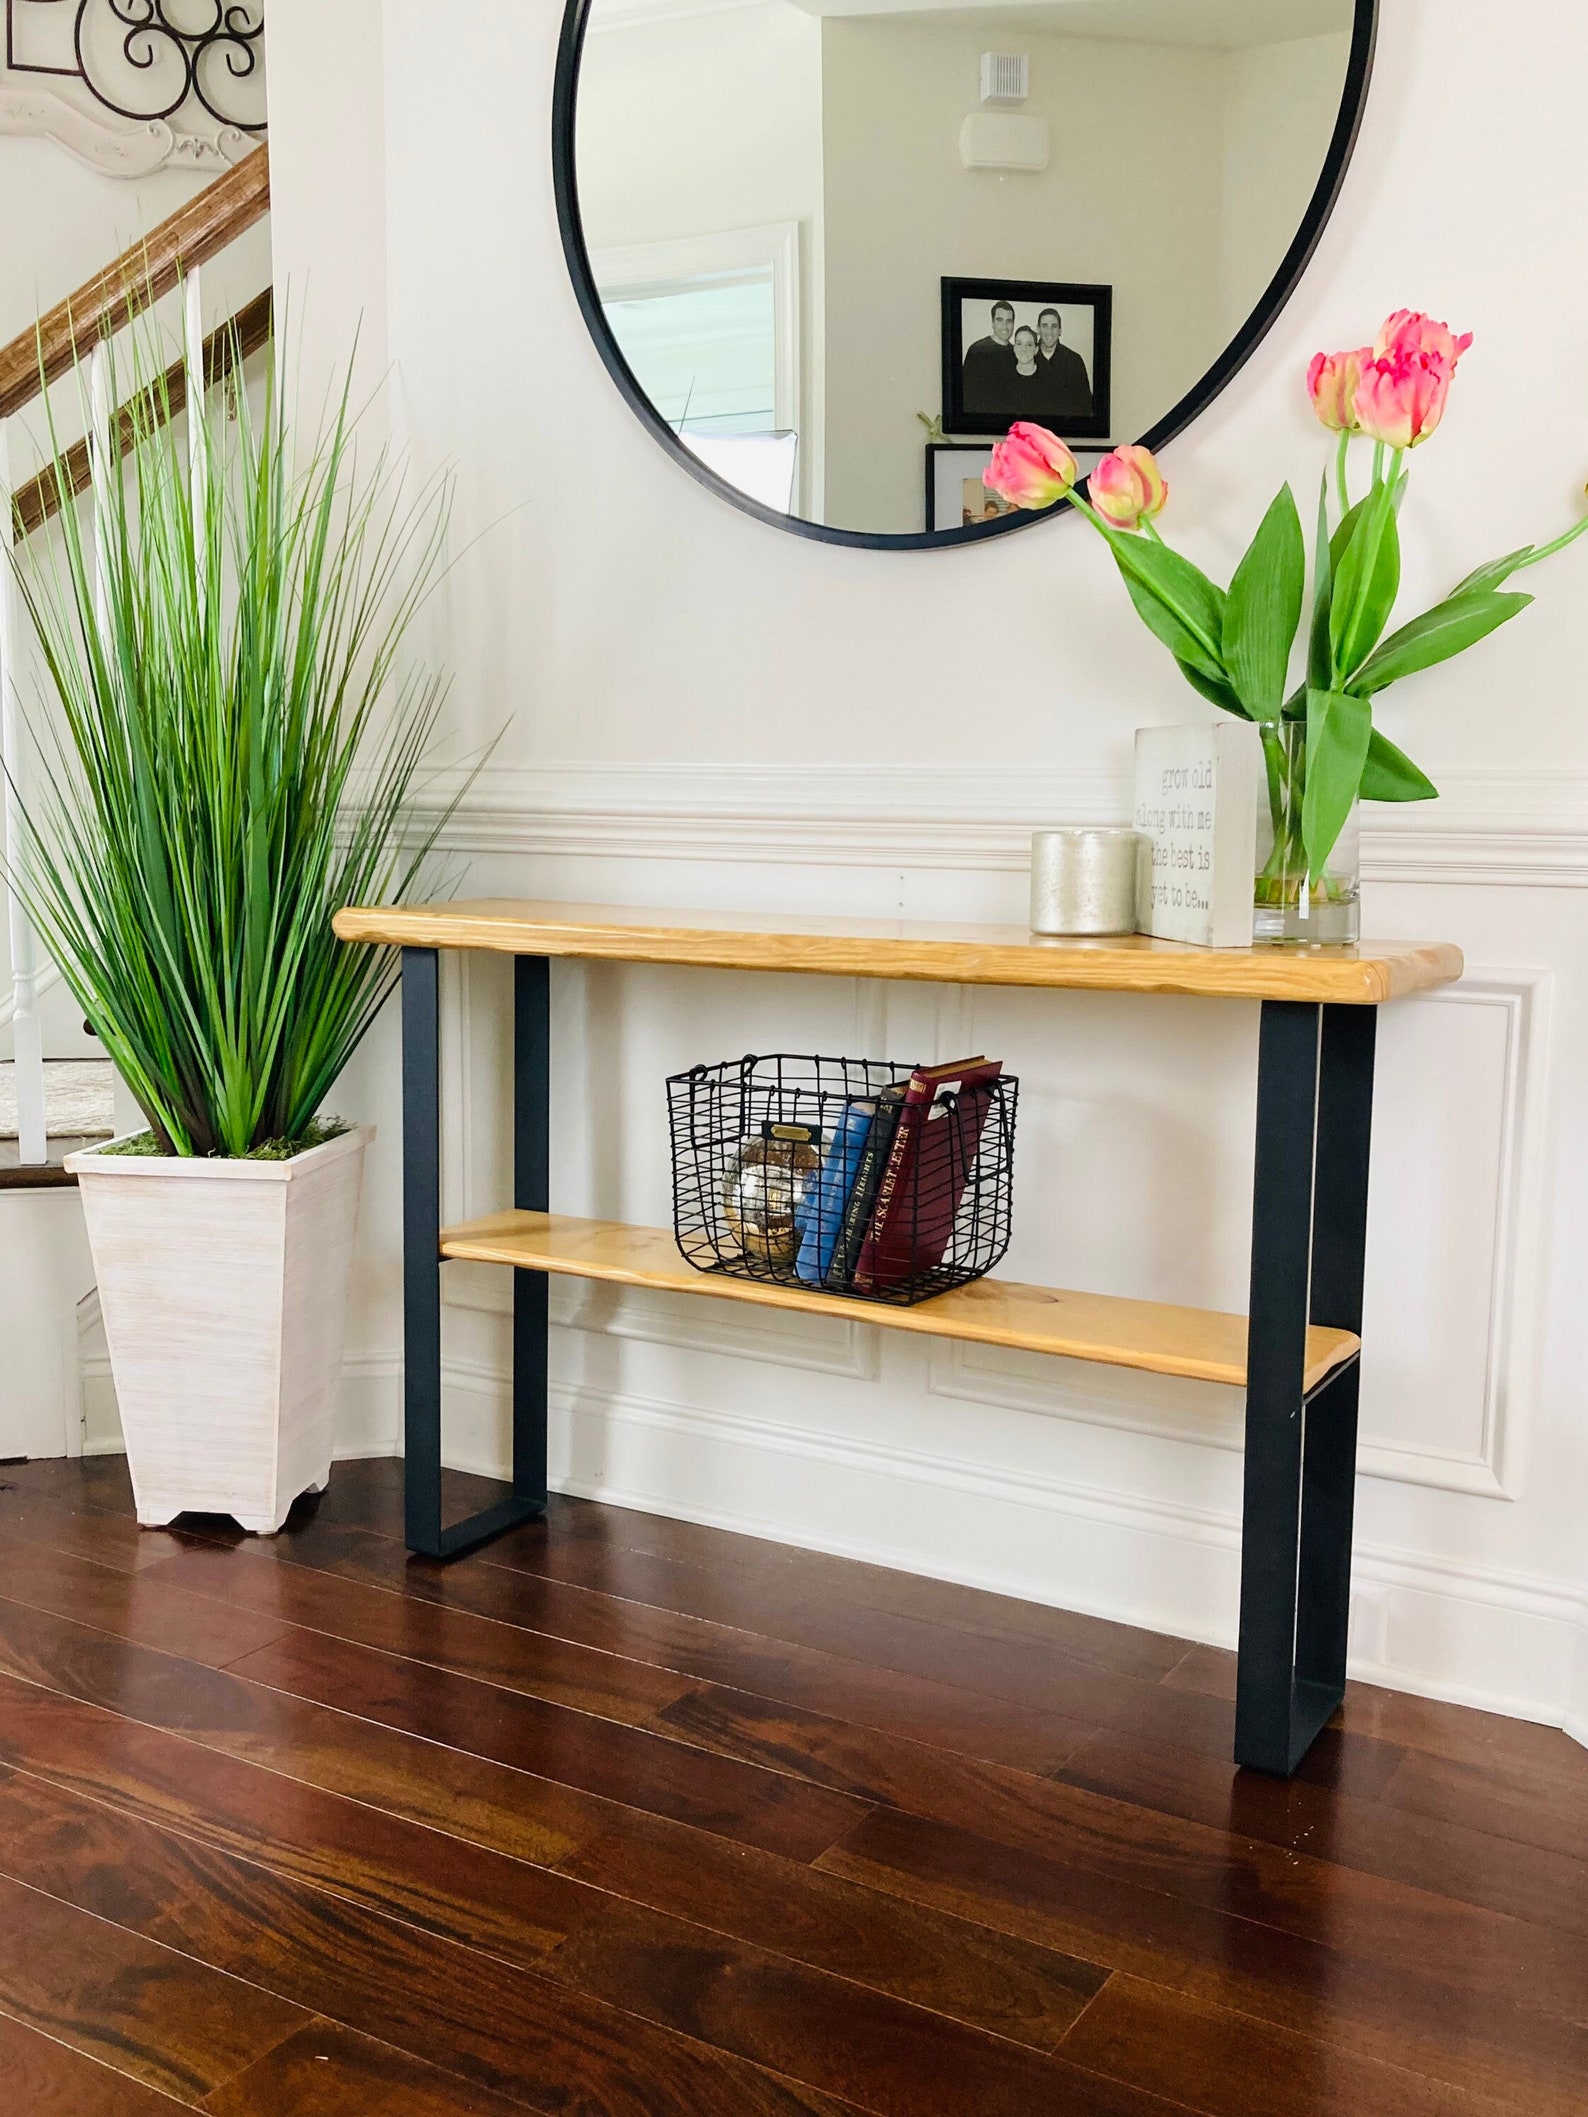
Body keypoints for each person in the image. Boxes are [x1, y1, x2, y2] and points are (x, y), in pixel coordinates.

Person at [1033, 308, 1093, 422]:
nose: (1049, 331)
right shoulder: (1027, 357)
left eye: (1054, 326)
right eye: (1044, 326)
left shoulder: (1074, 360)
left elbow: (1085, 405)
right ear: (1038, 329)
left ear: (1060, 330)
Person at [961, 301, 1017, 415]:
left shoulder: (1017, 353)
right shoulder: (977, 350)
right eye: (999, 320)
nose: (1005, 326)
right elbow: (965, 393)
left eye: (1009, 321)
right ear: (992, 323)